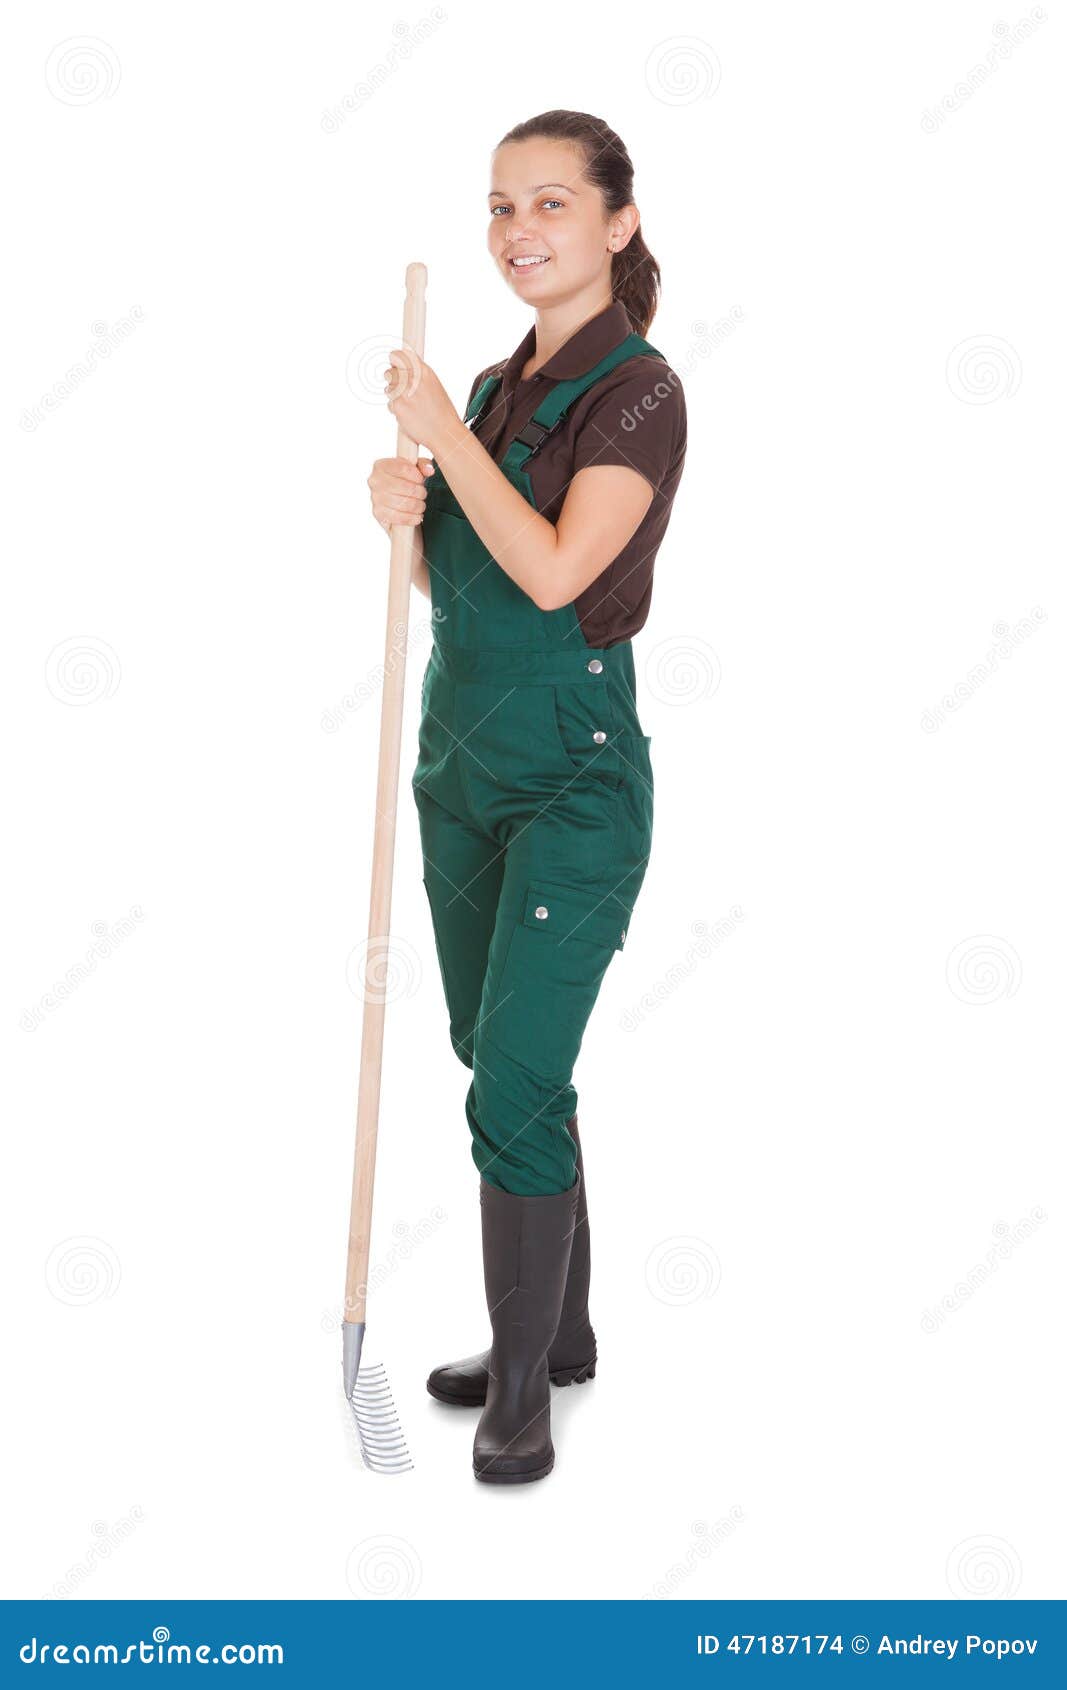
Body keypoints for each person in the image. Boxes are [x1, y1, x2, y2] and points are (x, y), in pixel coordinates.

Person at [368, 110, 687, 1484]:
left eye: (552, 204)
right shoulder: (499, 386)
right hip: (460, 762)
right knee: (493, 1054)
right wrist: (402, 513)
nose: (519, 232)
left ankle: (522, 1397)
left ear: (616, 223)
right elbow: (473, 589)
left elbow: (559, 577)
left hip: (571, 774)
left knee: (510, 1078)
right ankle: (558, 1331)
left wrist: (442, 429)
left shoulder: (640, 393)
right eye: (501, 207)